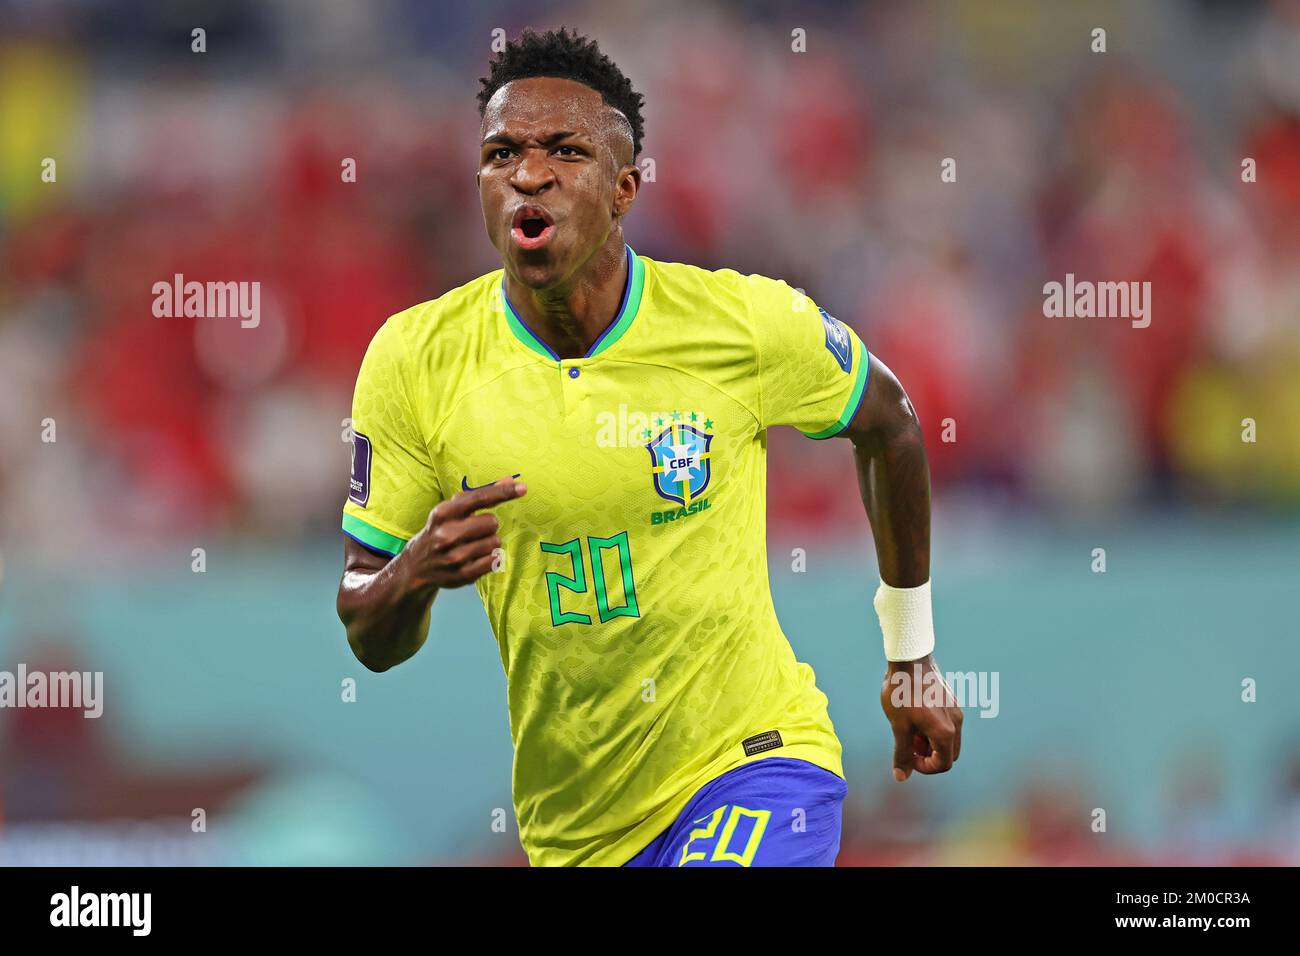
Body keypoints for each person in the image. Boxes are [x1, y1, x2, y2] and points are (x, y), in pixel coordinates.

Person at [336, 27, 961, 867]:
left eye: (564, 151)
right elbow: (367, 632)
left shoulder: (740, 323)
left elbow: (891, 422)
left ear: (625, 188)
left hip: (754, 760)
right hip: (577, 831)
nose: (529, 174)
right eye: (501, 153)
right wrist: (414, 572)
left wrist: (910, 654)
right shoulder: (414, 361)